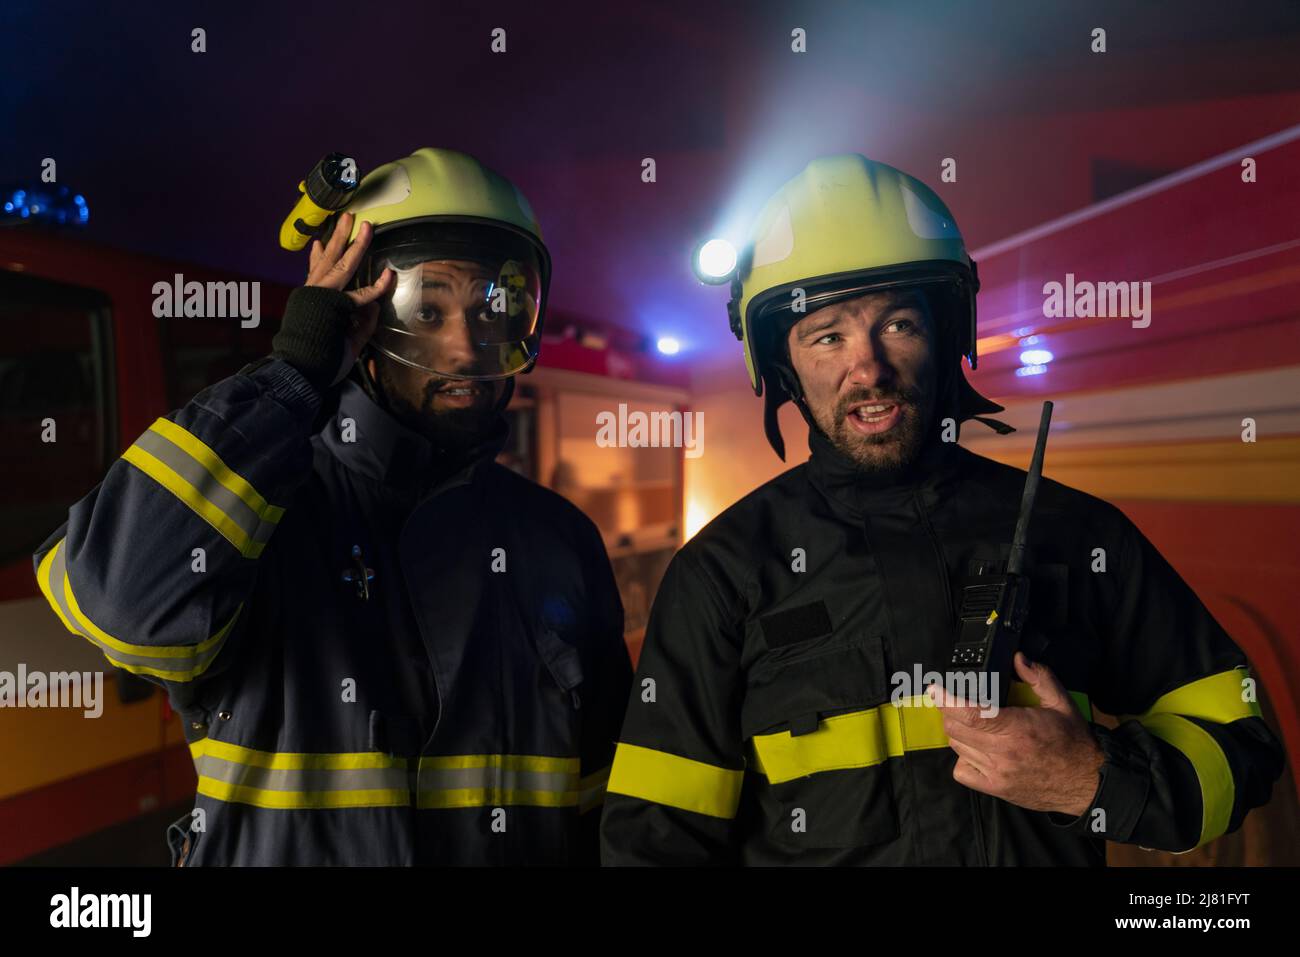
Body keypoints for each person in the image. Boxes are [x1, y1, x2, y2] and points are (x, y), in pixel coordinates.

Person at [600, 154, 1284, 865]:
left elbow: (1243, 742)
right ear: (783, 366)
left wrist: (1094, 778)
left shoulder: (1077, 535)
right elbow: (653, 844)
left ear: (948, 333)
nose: (868, 368)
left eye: (897, 324)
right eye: (827, 336)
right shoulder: (722, 575)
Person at [33, 147, 632, 865]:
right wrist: (292, 377)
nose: (464, 344)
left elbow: (605, 804)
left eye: (492, 306)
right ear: (363, 316)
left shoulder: (557, 540)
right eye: (427, 306)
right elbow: (122, 601)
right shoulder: (264, 514)